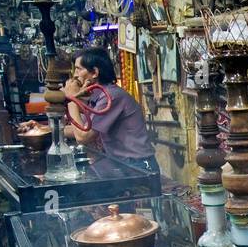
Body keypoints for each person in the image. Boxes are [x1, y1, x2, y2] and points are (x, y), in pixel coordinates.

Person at [20, 49, 160, 183]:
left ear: (94, 72)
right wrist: (43, 128)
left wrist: (72, 99)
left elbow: (82, 137)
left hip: (139, 167)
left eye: (79, 69)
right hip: (122, 164)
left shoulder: (111, 97)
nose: (74, 75)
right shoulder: (97, 96)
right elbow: (81, 128)